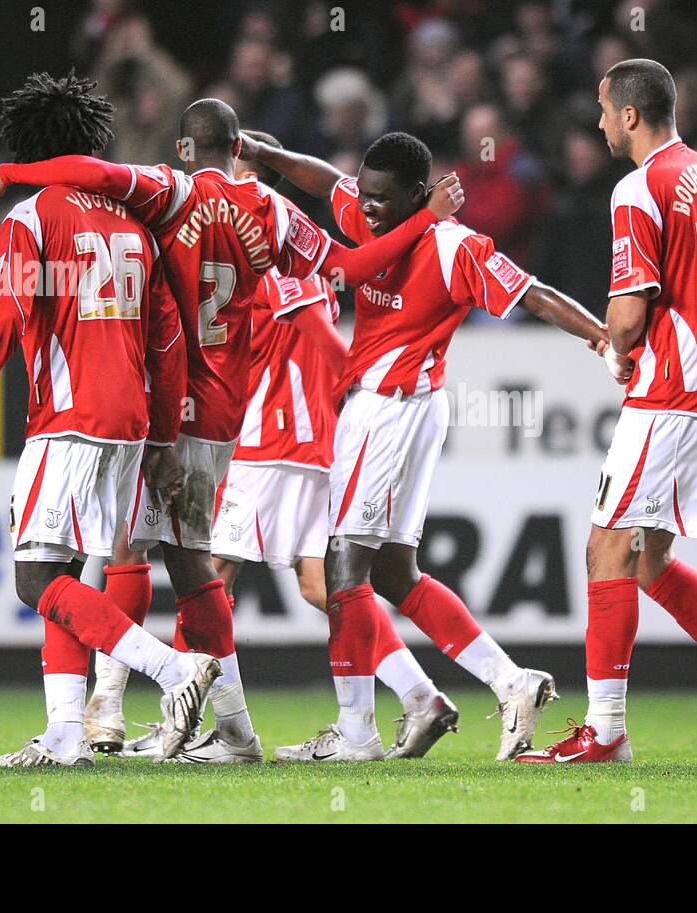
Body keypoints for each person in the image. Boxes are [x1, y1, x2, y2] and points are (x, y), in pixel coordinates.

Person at [0, 97, 465, 763]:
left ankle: (110, 712)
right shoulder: (277, 210)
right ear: (239, 148)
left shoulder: (169, 189)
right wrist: (424, 224)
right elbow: (352, 269)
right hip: (226, 414)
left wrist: (11, 170)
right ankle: (223, 732)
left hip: (162, 405)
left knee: (104, 556)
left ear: (184, 148)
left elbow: (92, 171)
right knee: (189, 563)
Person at [239, 129, 611, 761]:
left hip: (394, 412)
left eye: (384, 198)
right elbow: (327, 180)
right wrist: (271, 155)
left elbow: (533, 294)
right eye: (367, 195)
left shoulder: (455, 246)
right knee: (391, 572)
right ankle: (510, 681)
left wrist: (601, 336)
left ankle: (355, 732)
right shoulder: (366, 213)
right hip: (392, 410)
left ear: (421, 193)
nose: (369, 207)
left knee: (341, 568)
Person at [519, 59, 697, 765]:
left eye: (602, 110)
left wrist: (625, 347)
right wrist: (688, 324)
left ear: (628, 114)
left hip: (675, 391)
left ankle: (606, 728)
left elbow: (624, 316)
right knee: (647, 558)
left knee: (605, 547)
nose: (596, 123)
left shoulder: (636, 187)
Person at [0, 72, 218, 767]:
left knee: (35, 579)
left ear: (28, 145)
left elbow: (3, 313)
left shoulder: (29, 218)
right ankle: (67, 732)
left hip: (68, 418)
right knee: (64, 574)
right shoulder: (136, 224)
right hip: (126, 424)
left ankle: (173, 670)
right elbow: (167, 338)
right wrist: (159, 436)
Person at [204, 136, 458, 761]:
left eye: (237, 180)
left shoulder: (276, 265)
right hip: (300, 446)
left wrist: (355, 397)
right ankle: (420, 694)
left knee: (208, 580)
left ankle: (227, 732)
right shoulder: (290, 256)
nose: (224, 192)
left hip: (276, 446)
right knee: (324, 585)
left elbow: (331, 347)